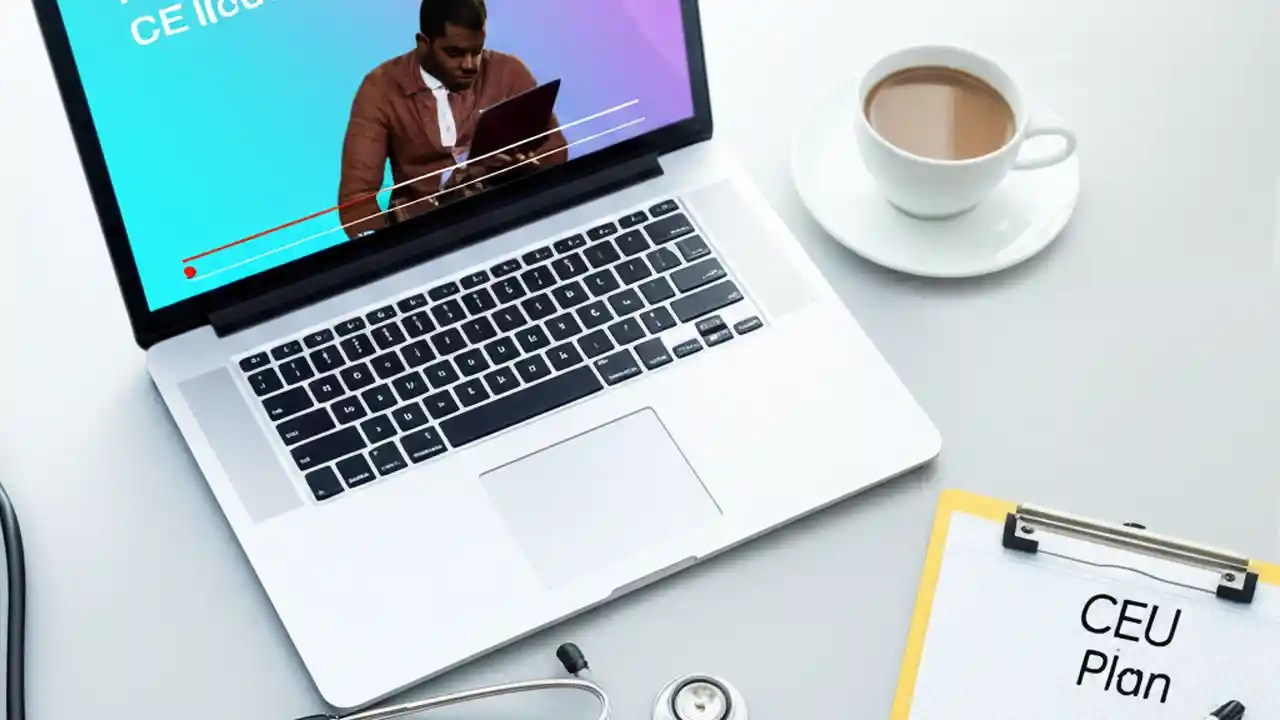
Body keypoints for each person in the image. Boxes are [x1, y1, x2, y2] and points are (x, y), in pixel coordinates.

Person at [338, 0, 568, 238]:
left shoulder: (509, 72)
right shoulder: (380, 89)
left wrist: (528, 168)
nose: (470, 65)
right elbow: (356, 202)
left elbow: (556, 148)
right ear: (423, 44)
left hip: (507, 222)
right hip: (424, 235)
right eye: (454, 53)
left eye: (477, 51)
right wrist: (393, 250)